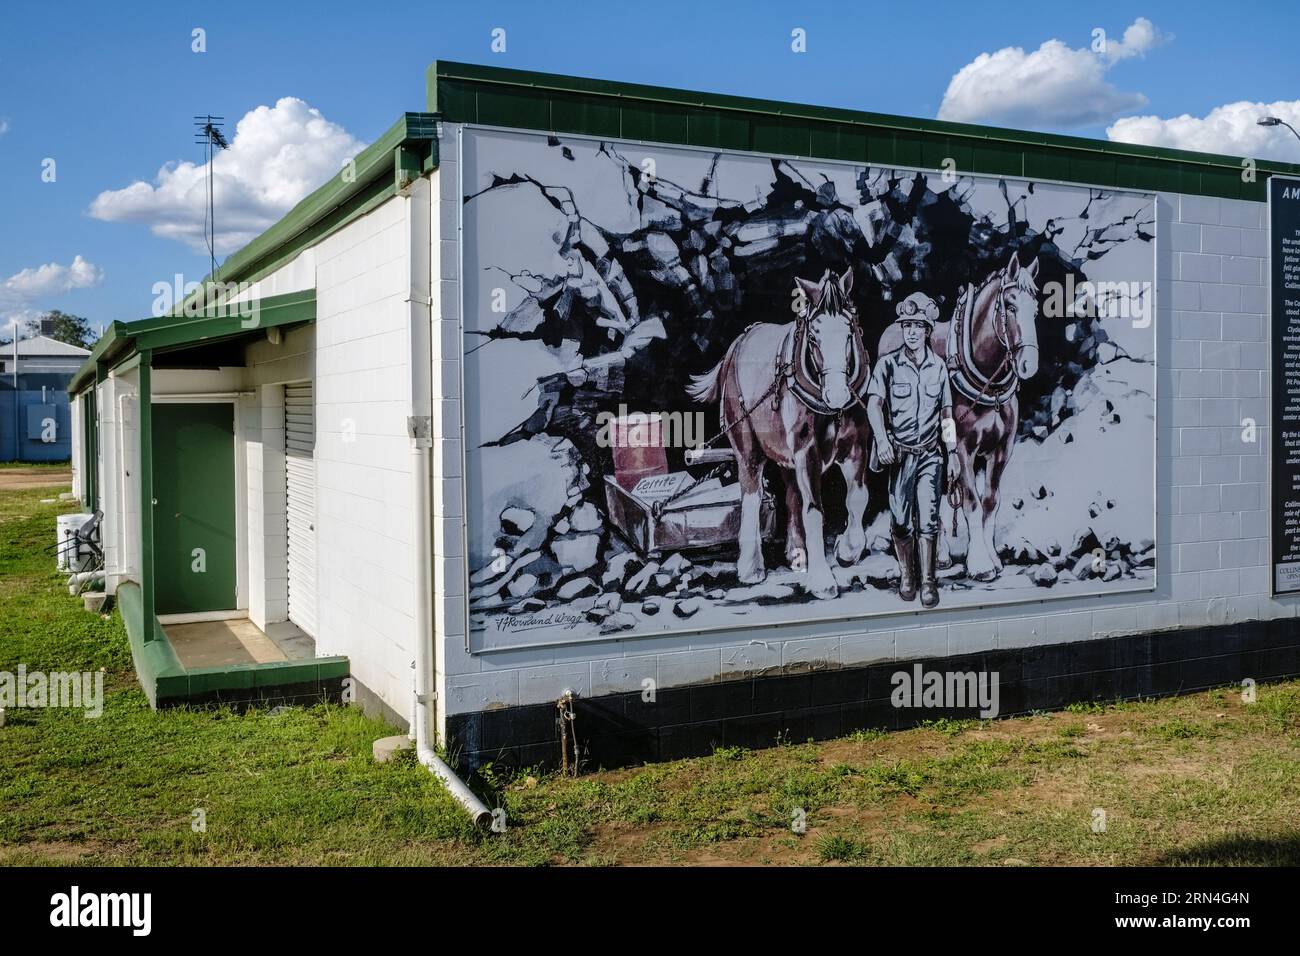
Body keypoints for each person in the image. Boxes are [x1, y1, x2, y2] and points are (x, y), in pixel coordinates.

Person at [866, 292, 959, 608]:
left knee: (929, 520)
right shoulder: (888, 366)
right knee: (902, 521)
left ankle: (929, 583)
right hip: (900, 456)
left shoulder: (939, 368)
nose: (912, 332)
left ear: (928, 330)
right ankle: (908, 575)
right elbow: (874, 406)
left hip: (930, 456)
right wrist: (881, 440)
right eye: (907, 325)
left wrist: (954, 452)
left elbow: (947, 413)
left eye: (918, 326)